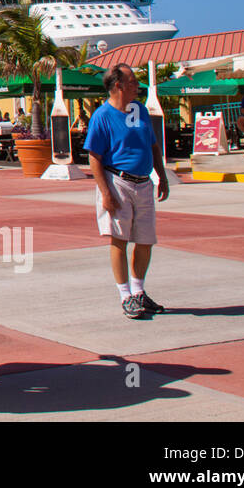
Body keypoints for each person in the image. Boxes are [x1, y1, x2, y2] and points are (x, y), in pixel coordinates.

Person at [85, 63, 171, 321]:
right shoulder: (102, 115)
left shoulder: (140, 110)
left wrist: (162, 176)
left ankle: (139, 290)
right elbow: (94, 157)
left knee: (145, 240)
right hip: (117, 182)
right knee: (119, 240)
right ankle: (125, 296)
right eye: (133, 82)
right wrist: (106, 193)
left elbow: (153, 145)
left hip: (144, 182)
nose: (137, 86)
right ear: (118, 86)